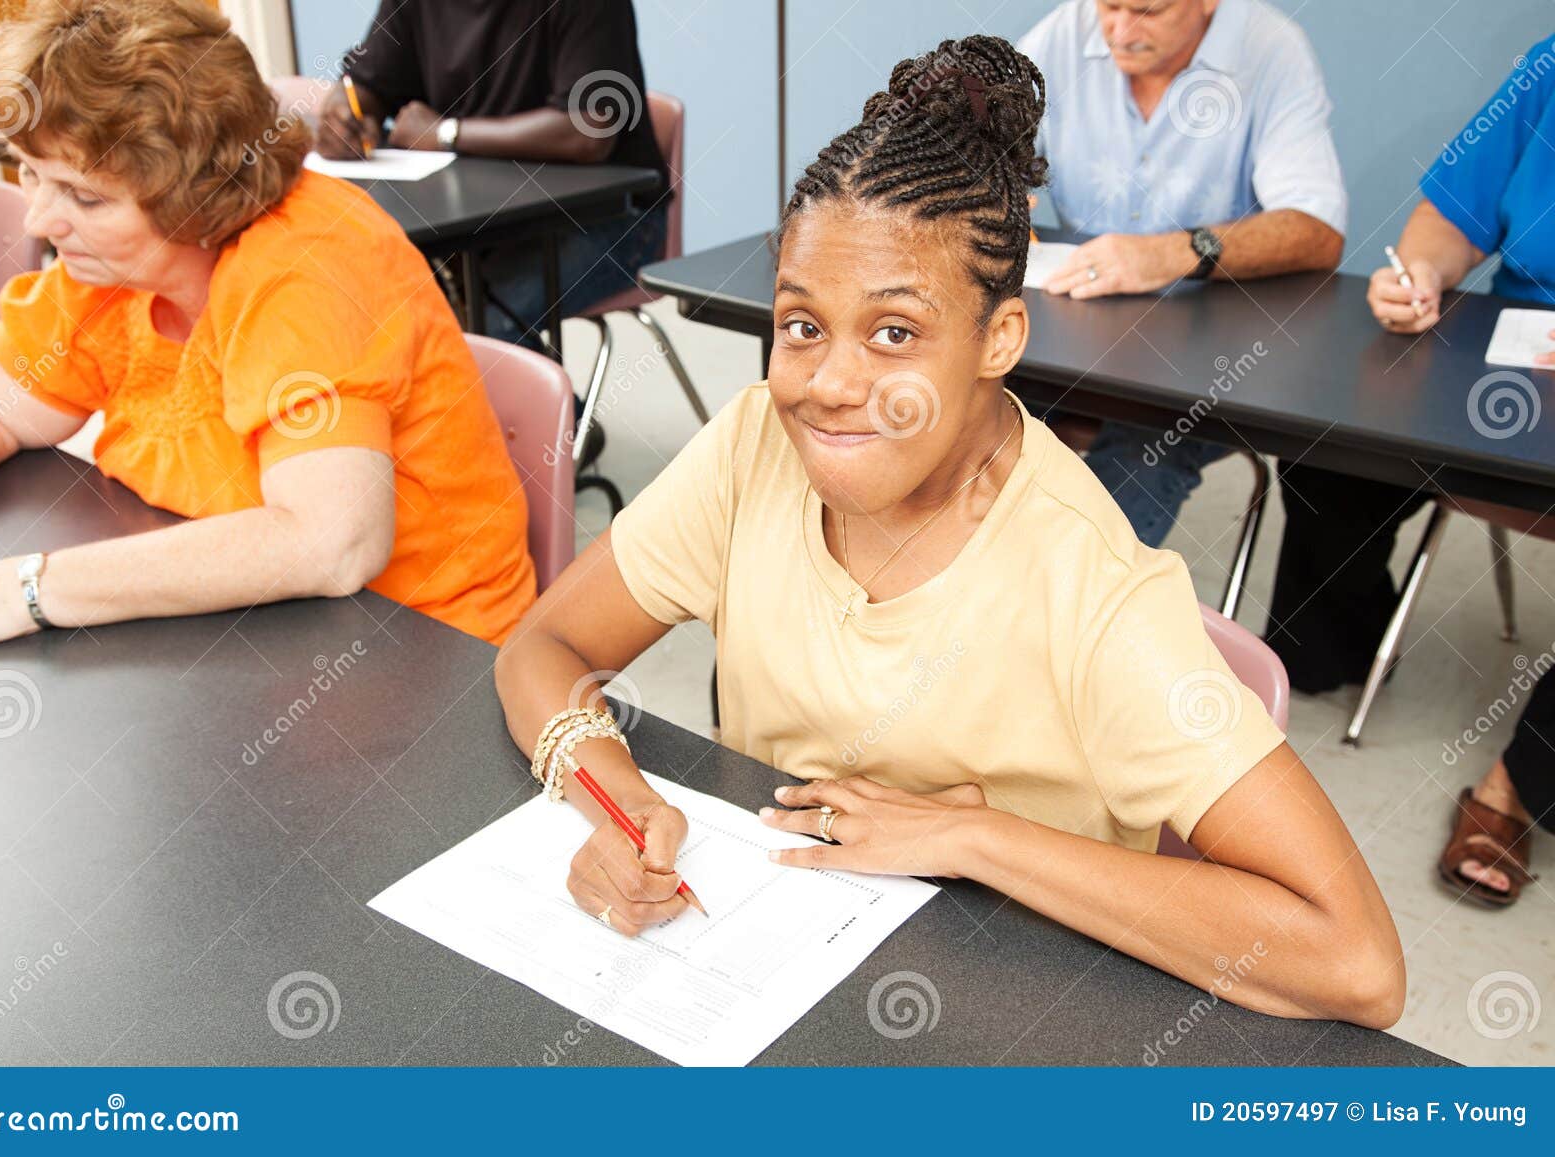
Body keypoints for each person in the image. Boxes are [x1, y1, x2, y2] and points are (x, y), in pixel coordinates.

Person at [494, 36, 1404, 1026]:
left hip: (1011, 1009)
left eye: (894, 332)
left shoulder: (1087, 582)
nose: (829, 385)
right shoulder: (757, 440)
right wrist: (622, 801)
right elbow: (546, 644)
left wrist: (977, 838)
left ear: (999, 339)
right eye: (801, 324)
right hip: (765, 967)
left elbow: (1352, 957)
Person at [0, 0, 536, 652]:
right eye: (30, 173)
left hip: (420, 654)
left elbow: (331, 541)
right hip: (244, 639)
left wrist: (27, 589)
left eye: (85, 197)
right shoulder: (107, 265)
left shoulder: (305, 264)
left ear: (192, 190)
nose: (38, 221)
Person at [1259, 36, 1555, 904]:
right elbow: (1452, 218)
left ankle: (1515, 787)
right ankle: (1338, 646)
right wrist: (1420, 274)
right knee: (1337, 441)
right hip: (1513, 360)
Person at [1016, 0, 1347, 546]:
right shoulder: (1063, 33)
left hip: (1209, 357)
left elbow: (1316, 228)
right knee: (973, 416)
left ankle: (1069, 622)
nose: (1119, 31)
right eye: (1110, 7)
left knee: (1139, 459)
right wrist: (983, 188)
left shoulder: (1269, 50)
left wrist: (1175, 252)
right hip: (1075, 336)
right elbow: (981, 155)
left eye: (1147, 11)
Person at [318, 0, 670, 355]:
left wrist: (447, 134)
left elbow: (590, 130)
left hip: (608, 219)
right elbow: (364, 83)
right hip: (475, 222)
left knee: (485, 330)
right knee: (376, 303)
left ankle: (561, 412)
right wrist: (344, 115)